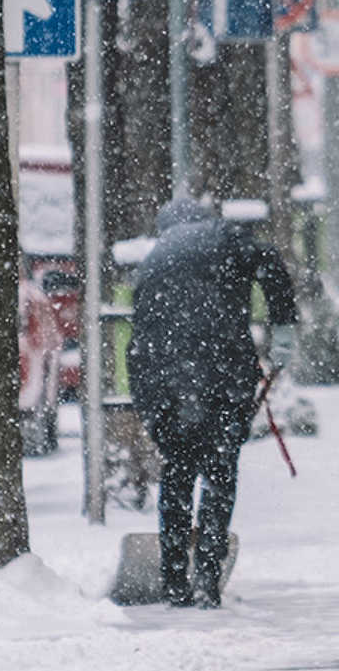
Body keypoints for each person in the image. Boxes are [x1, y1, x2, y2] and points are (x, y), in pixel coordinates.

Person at [127, 195, 298, 608]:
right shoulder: (225, 237)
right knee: (220, 472)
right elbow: (270, 262)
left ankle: (173, 579)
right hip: (222, 371)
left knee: (178, 472)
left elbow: (139, 342)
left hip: (164, 380)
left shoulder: (152, 261)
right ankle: (207, 574)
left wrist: (152, 404)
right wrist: (284, 327)